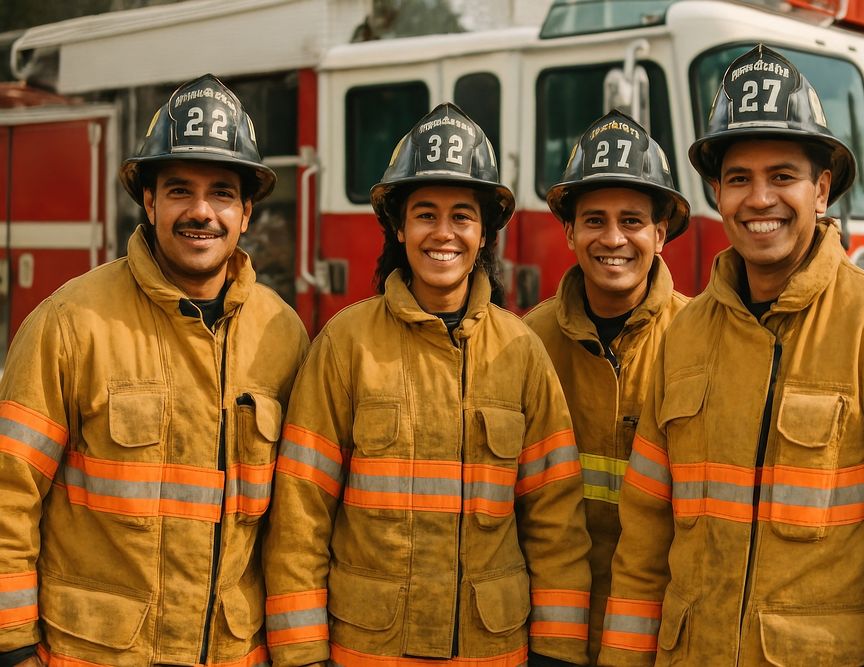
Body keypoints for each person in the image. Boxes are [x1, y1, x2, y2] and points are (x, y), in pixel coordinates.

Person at [598, 45, 864, 666]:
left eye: (783, 176)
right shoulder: (684, 338)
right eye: (739, 179)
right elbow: (645, 537)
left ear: (821, 189)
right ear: (717, 194)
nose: (759, 199)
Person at [263, 103, 592, 667]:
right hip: (368, 651)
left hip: (492, 653)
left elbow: (555, 523)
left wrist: (557, 654)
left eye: (462, 216)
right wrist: (302, 654)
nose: (444, 234)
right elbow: (301, 515)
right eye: (425, 215)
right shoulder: (346, 344)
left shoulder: (521, 353)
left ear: (485, 232)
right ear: (399, 226)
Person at [0, 74, 308, 667]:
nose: (201, 212)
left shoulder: (282, 335)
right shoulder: (71, 322)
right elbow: (9, 494)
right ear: (148, 201)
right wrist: (13, 647)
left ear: (246, 212)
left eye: (221, 192)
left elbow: (296, 526)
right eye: (178, 191)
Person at [523, 110, 689, 664]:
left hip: (668, 628)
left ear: (660, 233)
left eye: (633, 221)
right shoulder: (525, 344)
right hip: (551, 626)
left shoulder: (702, 341)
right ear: (568, 231)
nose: (613, 238)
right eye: (594, 220)